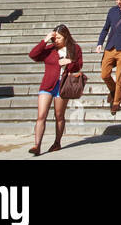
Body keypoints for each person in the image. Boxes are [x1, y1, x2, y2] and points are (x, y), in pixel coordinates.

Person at [28, 24, 82, 155]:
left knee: (59, 115)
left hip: (63, 85)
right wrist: (45, 40)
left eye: (59, 38)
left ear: (66, 37)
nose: (56, 40)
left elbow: (79, 65)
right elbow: (33, 55)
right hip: (47, 85)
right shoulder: (49, 49)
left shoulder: (74, 48)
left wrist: (69, 61)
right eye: (55, 38)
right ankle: (37, 145)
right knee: (41, 115)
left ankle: (57, 142)